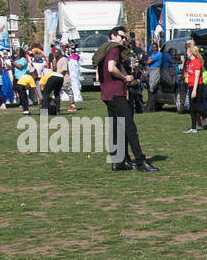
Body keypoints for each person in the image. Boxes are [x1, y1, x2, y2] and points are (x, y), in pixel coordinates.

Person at [96, 26, 157, 173]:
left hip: (106, 94)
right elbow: (111, 68)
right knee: (130, 127)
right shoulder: (114, 48)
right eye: (122, 37)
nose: (123, 40)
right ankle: (141, 161)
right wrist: (124, 77)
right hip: (116, 93)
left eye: (125, 38)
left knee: (115, 128)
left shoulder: (102, 50)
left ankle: (117, 162)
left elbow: (99, 75)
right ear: (113, 36)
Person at [66, 42, 83, 110]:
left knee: (74, 82)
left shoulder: (74, 57)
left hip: (73, 72)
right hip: (73, 72)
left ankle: (76, 96)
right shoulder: (74, 57)